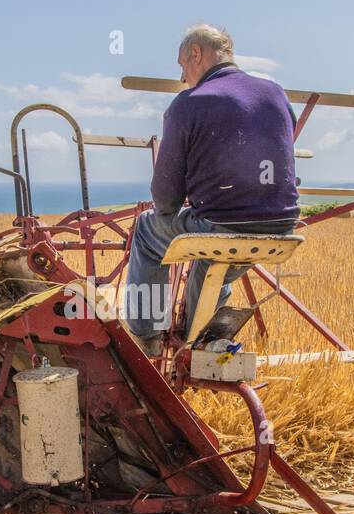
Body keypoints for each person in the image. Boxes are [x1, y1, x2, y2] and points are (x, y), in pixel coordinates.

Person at [123, 24, 300, 352]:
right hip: (282, 227)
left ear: (196, 53)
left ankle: (146, 339)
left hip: (222, 225)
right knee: (215, 261)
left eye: (181, 66)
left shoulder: (189, 103)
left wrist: (169, 211)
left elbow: (165, 196)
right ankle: (200, 340)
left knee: (149, 230)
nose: (182, 77)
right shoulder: (275, 93)